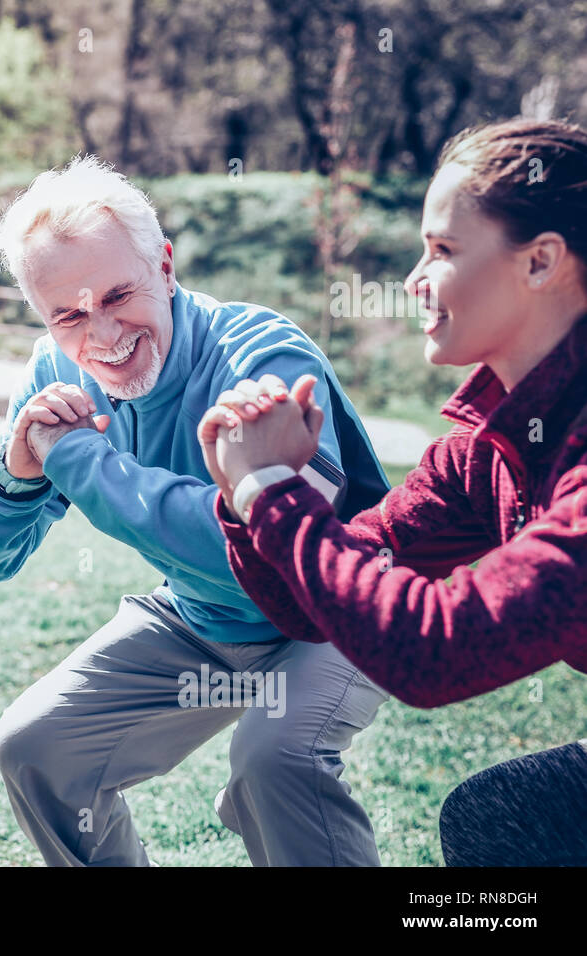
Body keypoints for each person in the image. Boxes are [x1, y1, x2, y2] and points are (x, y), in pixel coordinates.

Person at [0, 155, 393, 866]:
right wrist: (15, 471)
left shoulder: (260, 356)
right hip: (203, 621)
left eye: (119, 293)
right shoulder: (56, 374)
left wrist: (77, 460)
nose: (102, 332)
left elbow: (270, 549)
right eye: (67, 314)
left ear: (165, 265)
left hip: (334, 613)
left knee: (275, 763)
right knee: (37, 747)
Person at [197, 118, 587, 866]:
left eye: (442, 251)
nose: (414, 278)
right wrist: (250, 500)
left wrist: (273, 494)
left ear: (540, 262)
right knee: (496, 820)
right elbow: (316, 609)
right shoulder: (488, 452)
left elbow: (434, 653)